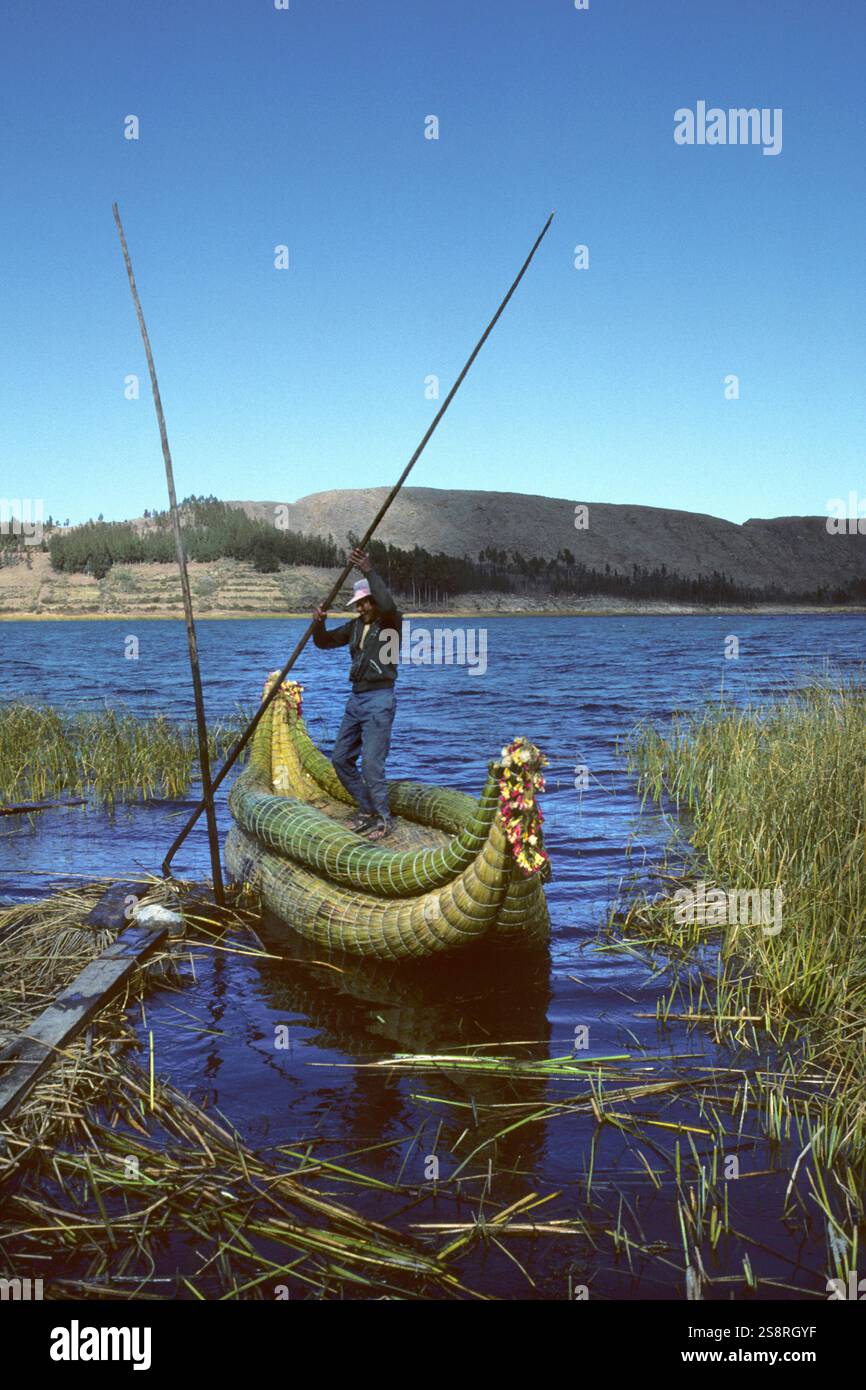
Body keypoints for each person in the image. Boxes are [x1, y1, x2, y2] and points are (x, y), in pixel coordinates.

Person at [312, 547, 401, 841]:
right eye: (357, 604)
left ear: (374, 602)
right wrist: (319, 623)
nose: (360, 608)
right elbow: (323, 643)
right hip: (356, 700)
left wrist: (368, 570)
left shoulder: (390, 623)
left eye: (365, 603)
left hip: (379, 699)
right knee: (340, 758)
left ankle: (384, 819)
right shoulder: (353, 627)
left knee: (372, 764)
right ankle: (366, 809)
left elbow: (388, 604)